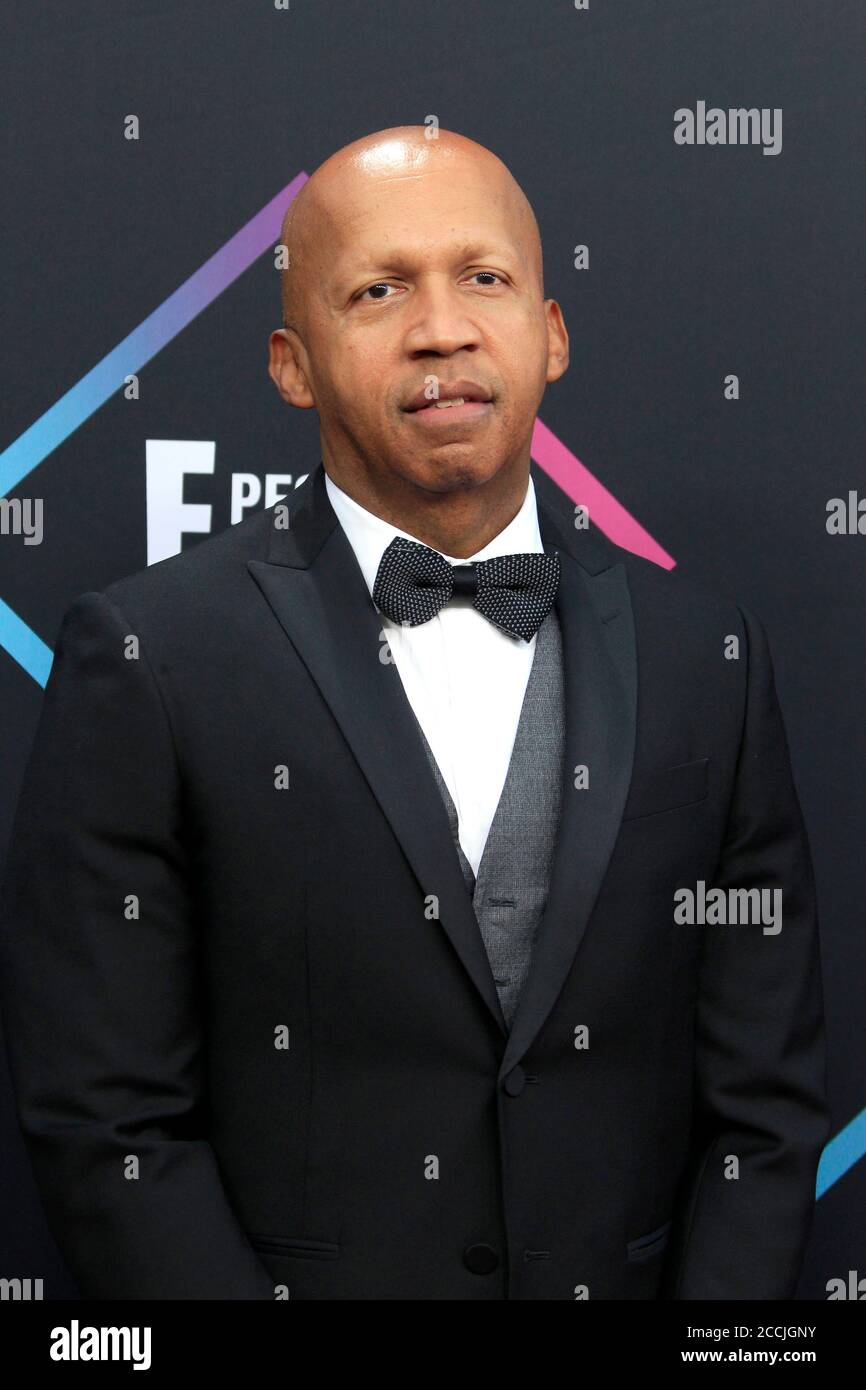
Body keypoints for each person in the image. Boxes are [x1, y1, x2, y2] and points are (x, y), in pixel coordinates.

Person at [0, 126, 830, 1300]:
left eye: (481, 278)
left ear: (549, 333)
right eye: (379, 289)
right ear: (291, 363)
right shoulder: (149, 656)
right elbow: (106, 1121)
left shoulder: (712, 657)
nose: (441, 327)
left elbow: (764, 1108)